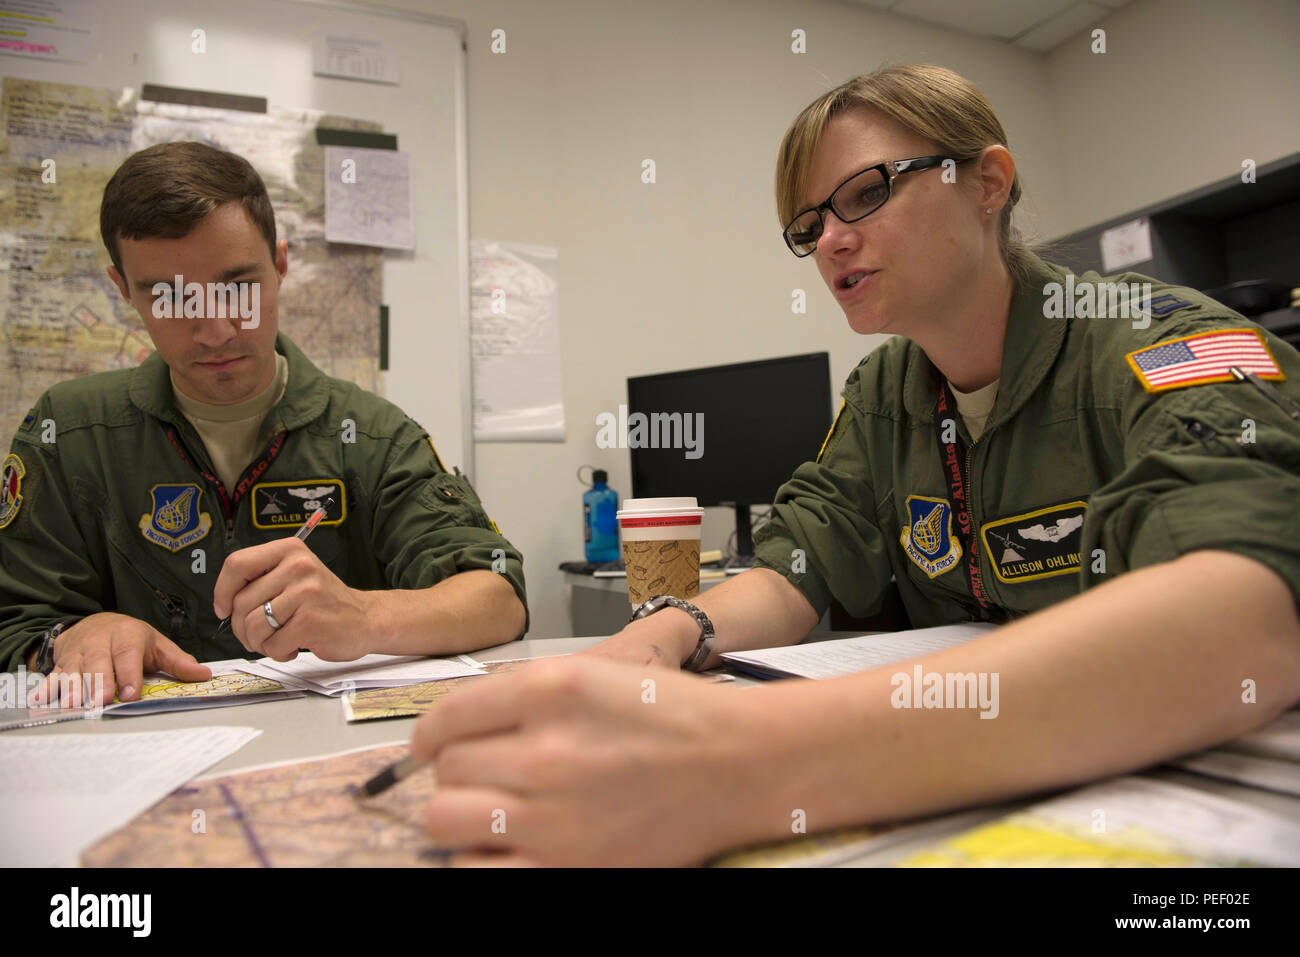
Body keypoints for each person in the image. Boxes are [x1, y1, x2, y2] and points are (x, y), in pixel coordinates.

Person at [408, 64, 1300, 866]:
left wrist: (751, 762)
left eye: (866, 192)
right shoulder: (886, 389)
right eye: (810, 223)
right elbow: (802, 556)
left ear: (987, 182)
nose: (831, 239)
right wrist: (659, 635)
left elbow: (1251, 610)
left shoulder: (1161, 338)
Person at [0, 142, 528, 706]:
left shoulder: (370, 436)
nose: (215, 328)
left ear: (280, 265)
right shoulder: (68, 433)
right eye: (169, 296)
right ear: (123, 289)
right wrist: (71, 639)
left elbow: (498, 595)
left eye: (239, 285)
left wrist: (366, 615)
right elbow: (15, 624)